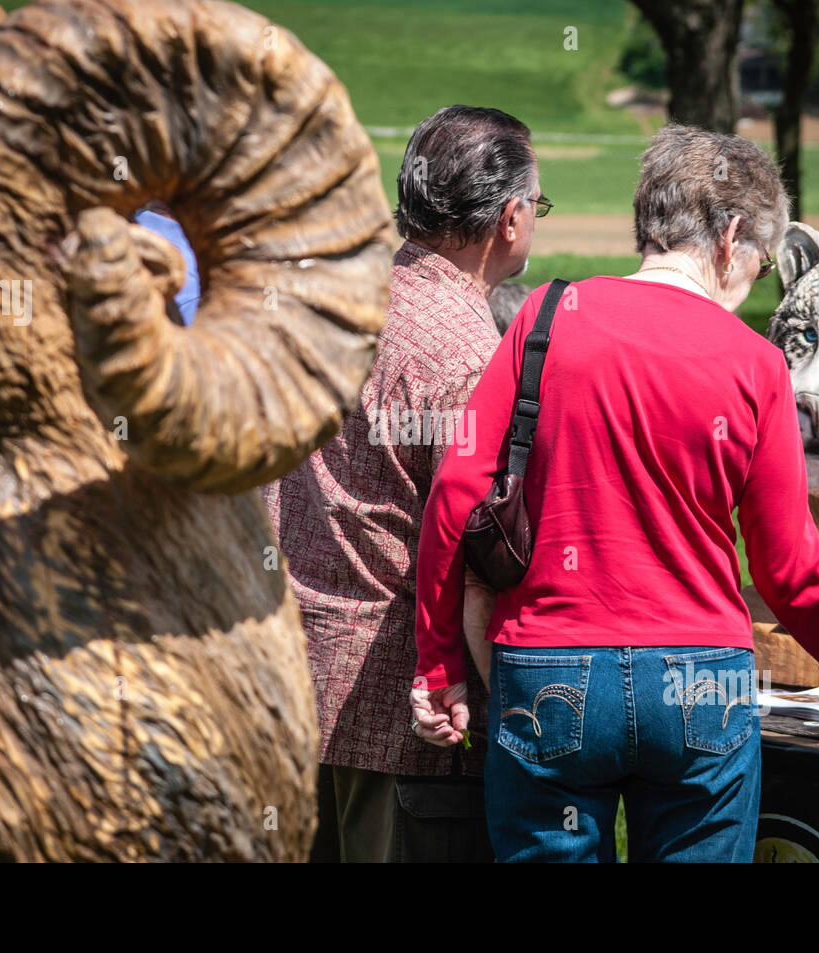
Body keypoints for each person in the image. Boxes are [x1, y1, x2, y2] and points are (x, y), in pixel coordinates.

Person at [409, 123, 819, 863]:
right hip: (702, 683)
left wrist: (439, 665)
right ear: (731, 237)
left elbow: (454, 496)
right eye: (759, 261)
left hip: (548, 674)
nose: (751, 280)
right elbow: (789, 571)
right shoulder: (757, 366)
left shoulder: (541, 320)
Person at [262, 105, 546, 862]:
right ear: (510, 219)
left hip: (287, 677)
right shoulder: (467, 354)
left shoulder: (330, 308)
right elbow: (480, 550)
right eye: (536, 206)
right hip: (404, 714)